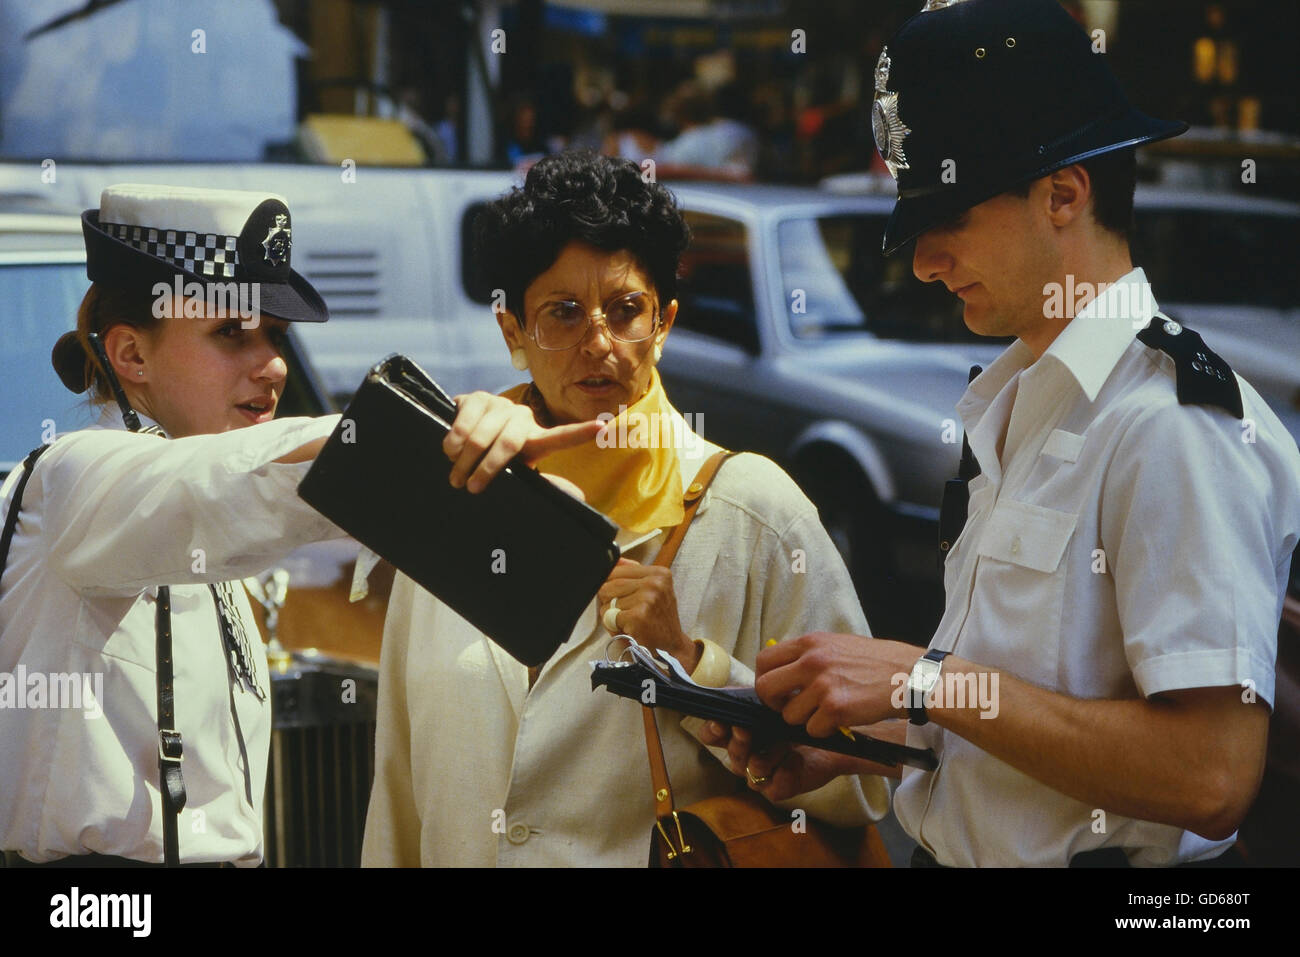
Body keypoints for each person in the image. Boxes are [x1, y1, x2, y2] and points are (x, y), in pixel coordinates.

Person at [705, 0, 1300, 867]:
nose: (923, 262)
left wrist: (925, 680)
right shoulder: (1026, 395)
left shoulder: (1173, 427)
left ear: (1064, 194)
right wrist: (866, 736)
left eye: (948, 221)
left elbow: (1210, 777)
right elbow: (1025, 711)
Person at [0, 183, 595, 867]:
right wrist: (418, 436)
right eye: (231, 332)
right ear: (131, 355)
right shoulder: (76, 479)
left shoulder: (206, 498)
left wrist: (519, 495)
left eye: (276, 335)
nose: (274, 364)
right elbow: (226, 483)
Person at [361, 151, 888, 867]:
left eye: (625, 309)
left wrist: (692, 667)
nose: (599, 342)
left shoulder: (753, 513)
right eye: (564, 313)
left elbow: (865, 781)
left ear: (664, 323)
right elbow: (398, 782)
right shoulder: (453, 499)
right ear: (514, 333)